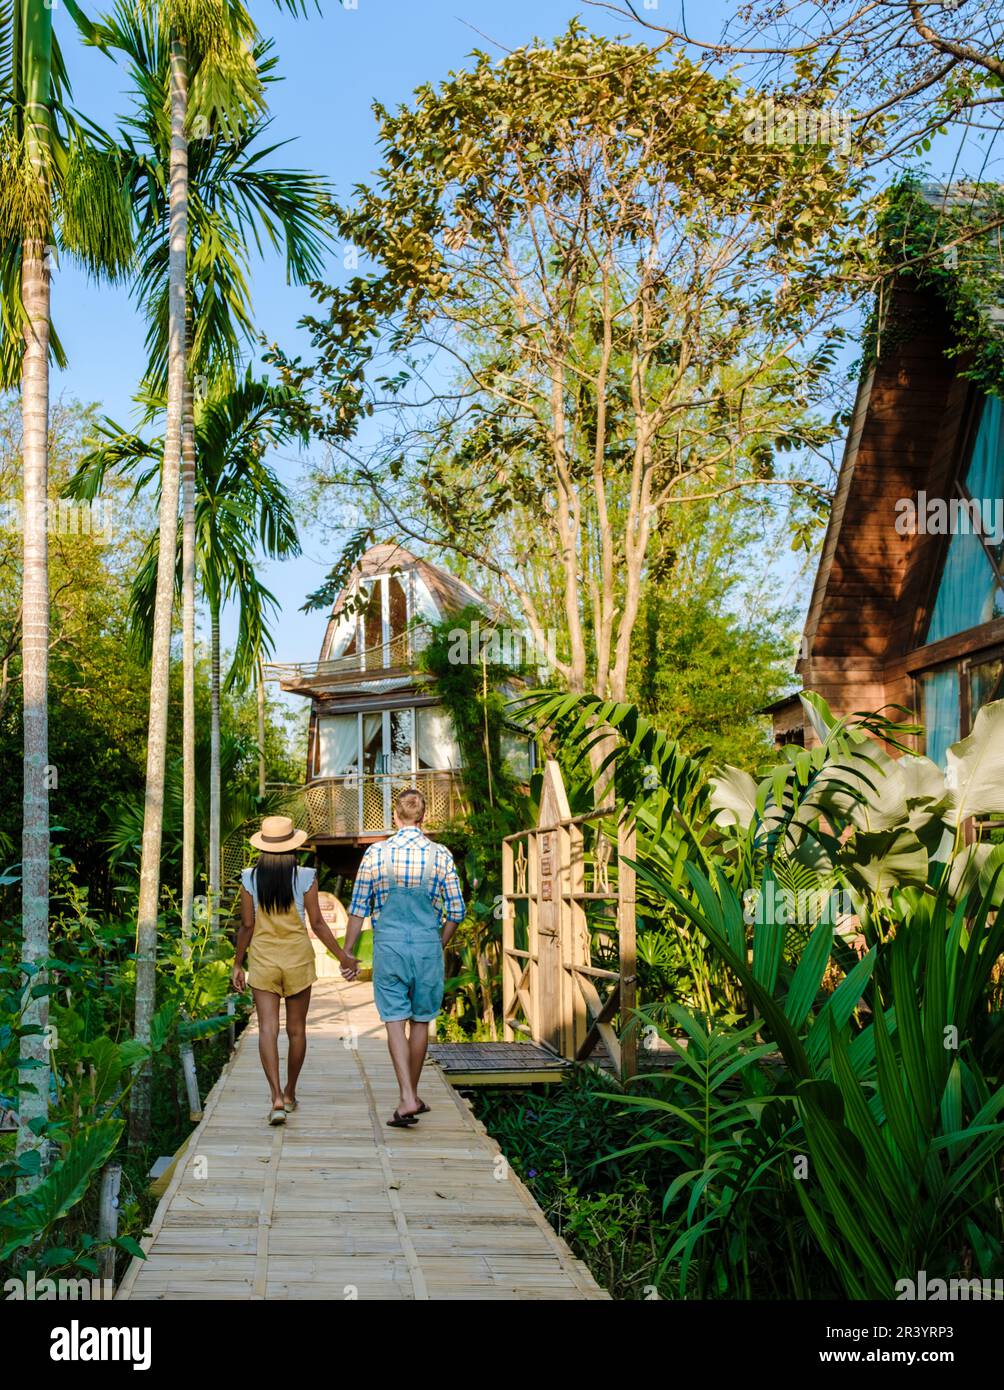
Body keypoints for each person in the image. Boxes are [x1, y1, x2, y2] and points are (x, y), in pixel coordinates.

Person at [344, 788, 465, 1128]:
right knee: (421, 1020)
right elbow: (456, 910)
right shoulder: (440, 855)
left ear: (395, 817)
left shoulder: (375, 854)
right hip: (427, 946)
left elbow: (357, 910)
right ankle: (409, 1096)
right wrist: (437, 943)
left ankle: (407, 1097)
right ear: (423, 818)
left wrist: (349, 954)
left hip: (390, 948)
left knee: (395, 1019)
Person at [232, 815, 359, 1125]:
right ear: (293, 846)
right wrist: (343, 956)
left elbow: (247, 925)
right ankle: (290, 1093)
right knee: (297, 1030)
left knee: (267, 1030)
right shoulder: (305, 877)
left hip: (263, 961)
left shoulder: (249, 878)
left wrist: (237, 963)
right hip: (298, 960)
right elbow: (317, 923)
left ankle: (275, 1098)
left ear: (263, 846)